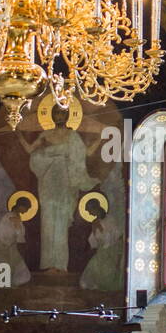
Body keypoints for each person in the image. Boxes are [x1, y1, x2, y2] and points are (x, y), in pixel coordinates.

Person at [17, 107, 100, 274]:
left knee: (61, 223)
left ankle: (61, 266)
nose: (59, 116)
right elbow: (30, 151)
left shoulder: (73, 136)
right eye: (56, 113)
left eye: (63, 113)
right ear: (52, 115)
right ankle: (48, 265)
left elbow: (86, 154)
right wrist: (19, 135)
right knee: (47, 222)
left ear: (68, 115)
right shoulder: (46, 135)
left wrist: (99, 140)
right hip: (48, 181)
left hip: (66, 182)